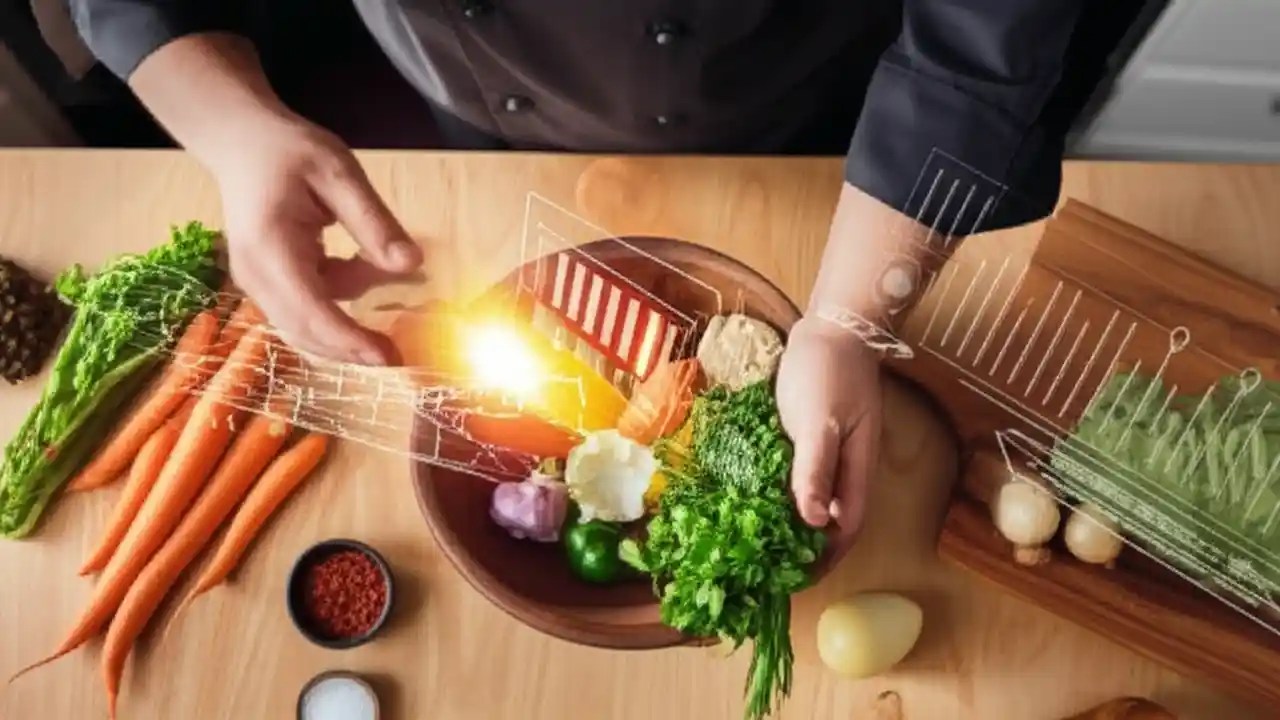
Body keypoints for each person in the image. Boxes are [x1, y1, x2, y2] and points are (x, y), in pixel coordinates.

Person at [70, 0, 1090, 568]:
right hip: (478, 93)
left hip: (821, 111)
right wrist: (231, 129)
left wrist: (843, 319)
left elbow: (986, 32)